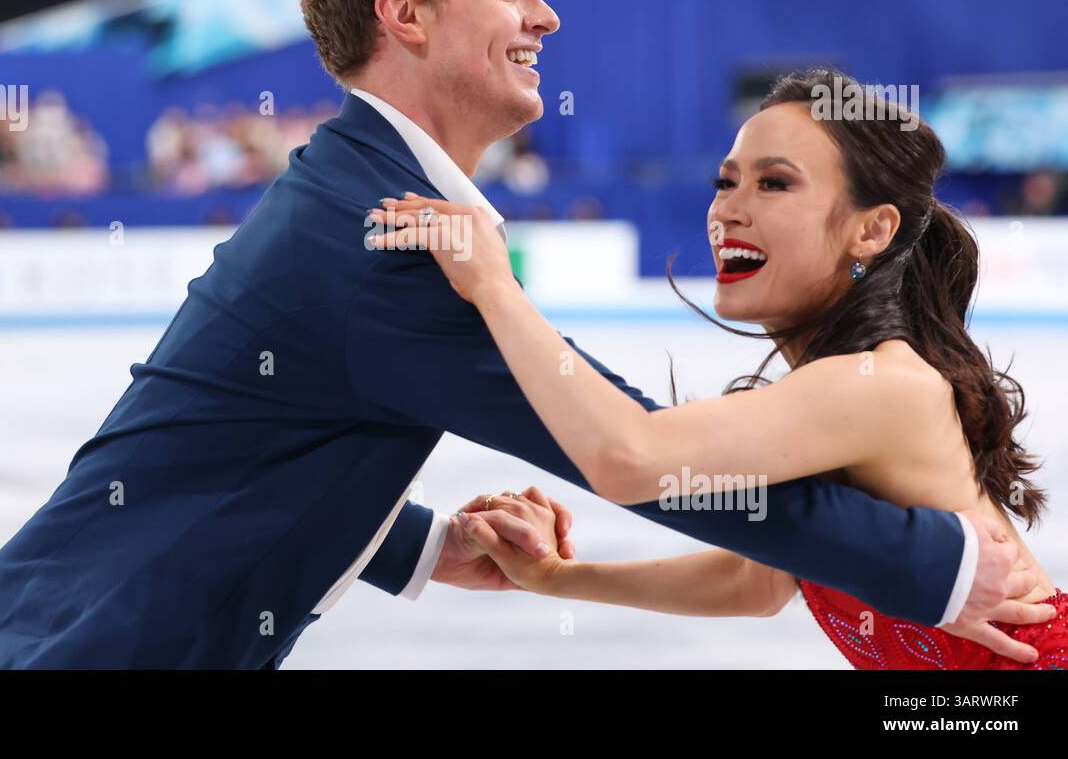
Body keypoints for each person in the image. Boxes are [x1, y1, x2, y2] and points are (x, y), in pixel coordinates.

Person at [0, 0, 1039, 671]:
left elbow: (251, 432)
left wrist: (420, 539)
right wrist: (931, 566)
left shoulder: (358, 195)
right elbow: (631, 449)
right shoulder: (389, 228)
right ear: (408, 16)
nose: (549, 16)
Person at [372, 68, 1065, 668]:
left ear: (872, 230)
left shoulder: (879, 385)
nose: (728, 210)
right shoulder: (839, 392)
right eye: (726, 181)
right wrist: (557, 579)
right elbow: (755, 585)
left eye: (774, 184)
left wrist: (493, 285)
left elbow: (630, 454)